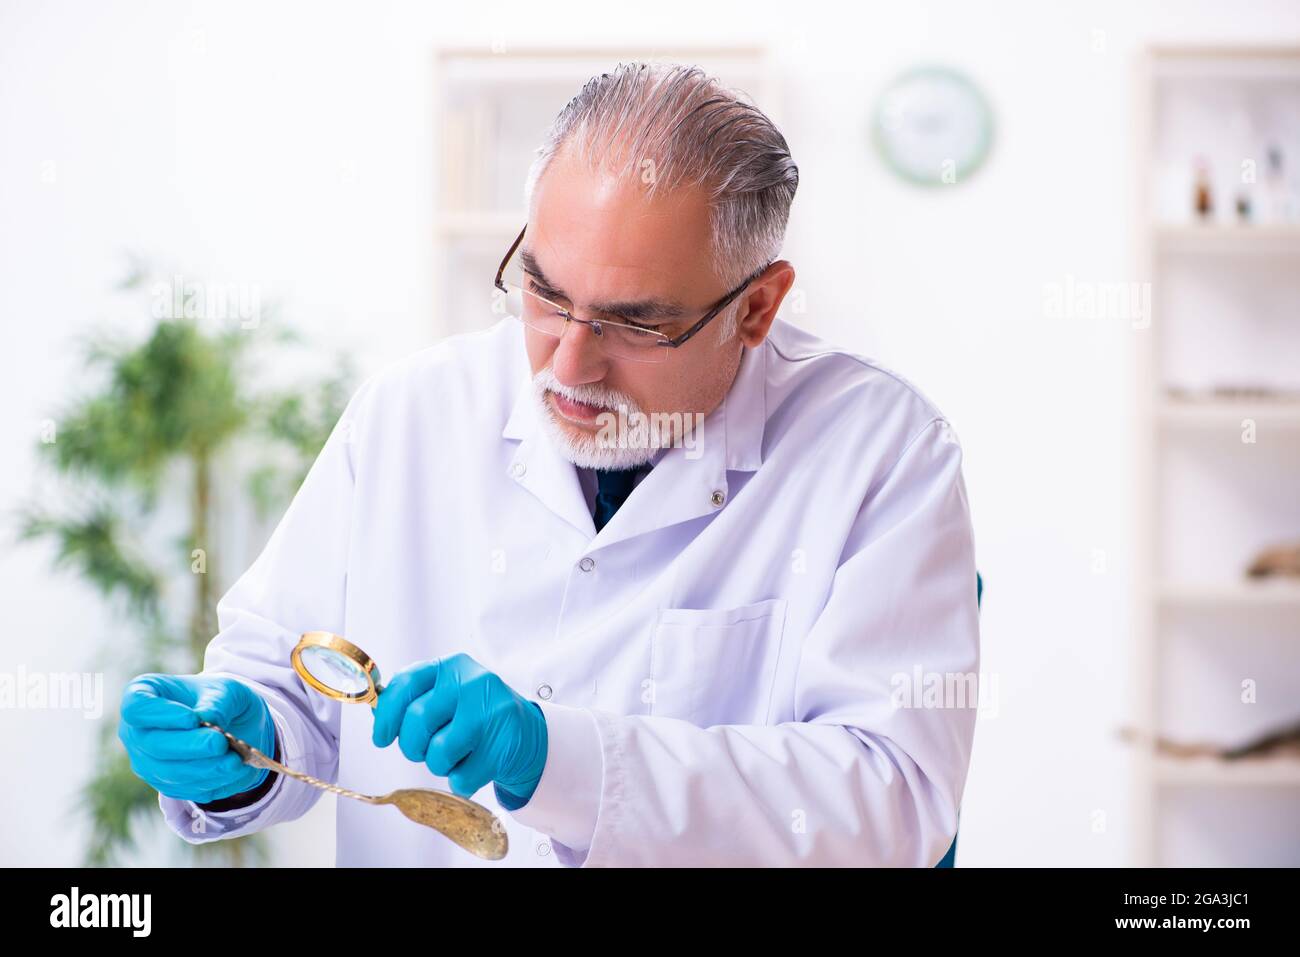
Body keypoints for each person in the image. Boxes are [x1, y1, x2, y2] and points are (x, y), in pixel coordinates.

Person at [118, 61, 980, 867]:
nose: (567, 367)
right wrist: (242, 743)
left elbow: (894, 798)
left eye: (635, 324)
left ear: (756, 307)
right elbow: (288, 677)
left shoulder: (884, 451)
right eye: (544, 292)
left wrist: (557, 757)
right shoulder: (412, 412)